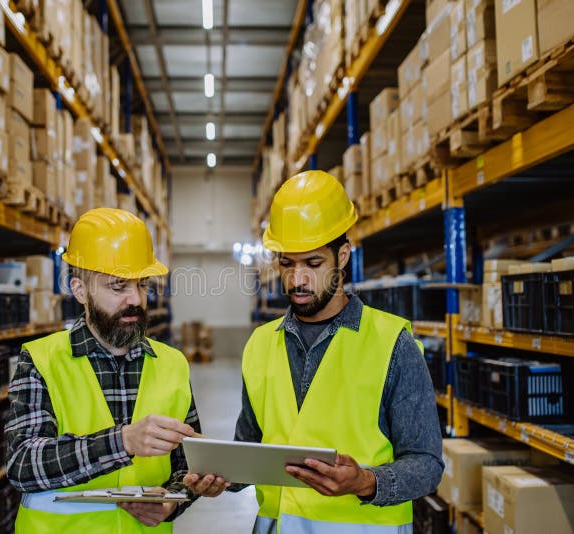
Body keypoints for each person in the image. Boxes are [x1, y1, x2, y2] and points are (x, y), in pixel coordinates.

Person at [184, 170, 443, 533]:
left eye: (313, 264)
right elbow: (252, 450)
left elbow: (427, 464)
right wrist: (221, 474)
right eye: (287, 264)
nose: (297, 280)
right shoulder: (261, 344)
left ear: (342, 256)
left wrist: (365, 481)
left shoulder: (391, 343)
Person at [6, 207, 201, 532]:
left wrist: (173, 501)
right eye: (118, 286)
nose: (135, 299)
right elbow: (23, 464)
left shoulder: (173, 364)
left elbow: (189, 464)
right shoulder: (41, 360)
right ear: (80, 290)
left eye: (142, 285)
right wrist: (122, 442)